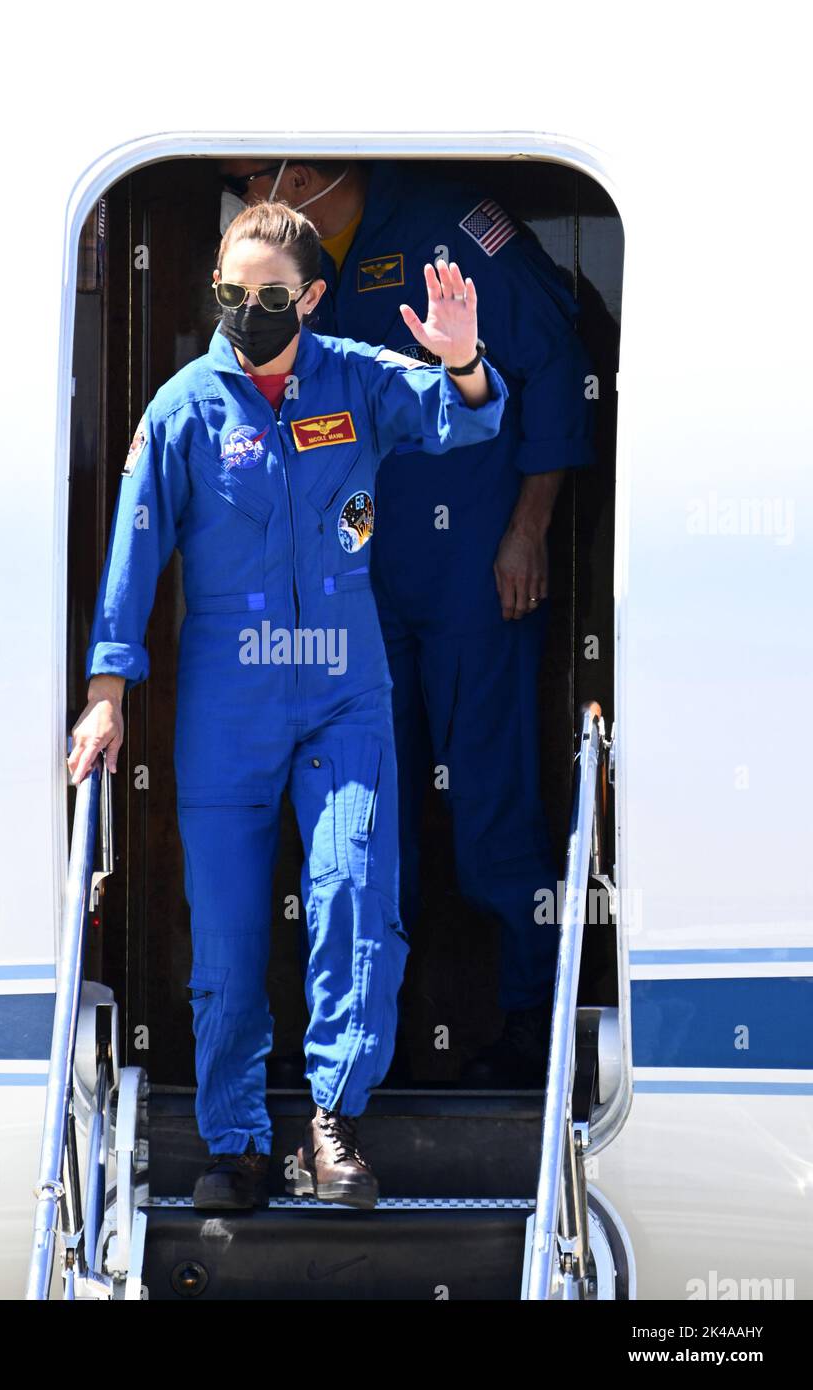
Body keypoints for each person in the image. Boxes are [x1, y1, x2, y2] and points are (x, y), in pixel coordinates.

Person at [67, 200, 507, 1210]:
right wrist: (106, 693)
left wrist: (463, 356)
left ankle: (333, 1123)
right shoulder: (183, 409)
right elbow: (133, 555)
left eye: (269, 296)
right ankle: (236, 1142)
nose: (246, 311)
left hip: (343, 695)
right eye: (229, 293)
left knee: (355, 894)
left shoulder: (352, 378)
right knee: (224, 934)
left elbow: (463, 416)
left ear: (309, 296)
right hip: (228, 700)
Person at [218, 158, 595, 1086]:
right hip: (358, 597)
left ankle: (531, 1032)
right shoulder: (281, 271)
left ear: (302, 171)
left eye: (256, 177)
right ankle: (362, 1059)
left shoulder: (452, 229)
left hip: (473, 574)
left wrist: (529, 529)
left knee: (489, 803)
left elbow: (556, 363)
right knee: (363, 821)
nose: (250, 198)